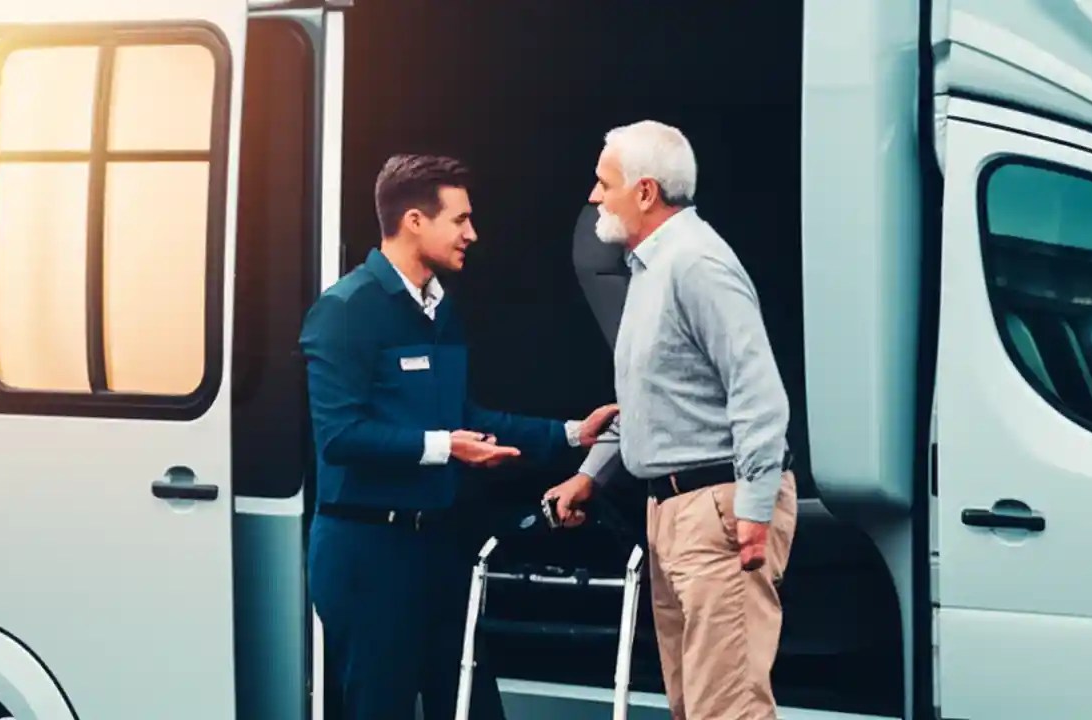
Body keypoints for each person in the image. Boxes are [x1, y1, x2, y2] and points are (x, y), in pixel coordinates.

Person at [300, 153, 619, 720]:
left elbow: (464, 414)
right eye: (460, 219)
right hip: (368, 555)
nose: (472, 234)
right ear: (415, 222)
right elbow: (339, 435)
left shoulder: (440, 310)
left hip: (438, 550)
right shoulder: (345, 310)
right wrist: (448, 448)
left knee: (471, 705)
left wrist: (572, 435)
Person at [544, 120, 798, 720]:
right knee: (694, 707)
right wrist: (594, 474)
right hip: (676, 511)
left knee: (726, 709)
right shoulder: (651, 269)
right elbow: (653, 399)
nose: (593, 196)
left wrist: (756, 508)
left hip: (719, 508)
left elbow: (758, 390)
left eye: (604, 182)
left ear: (646, 191)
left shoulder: (697, 264)